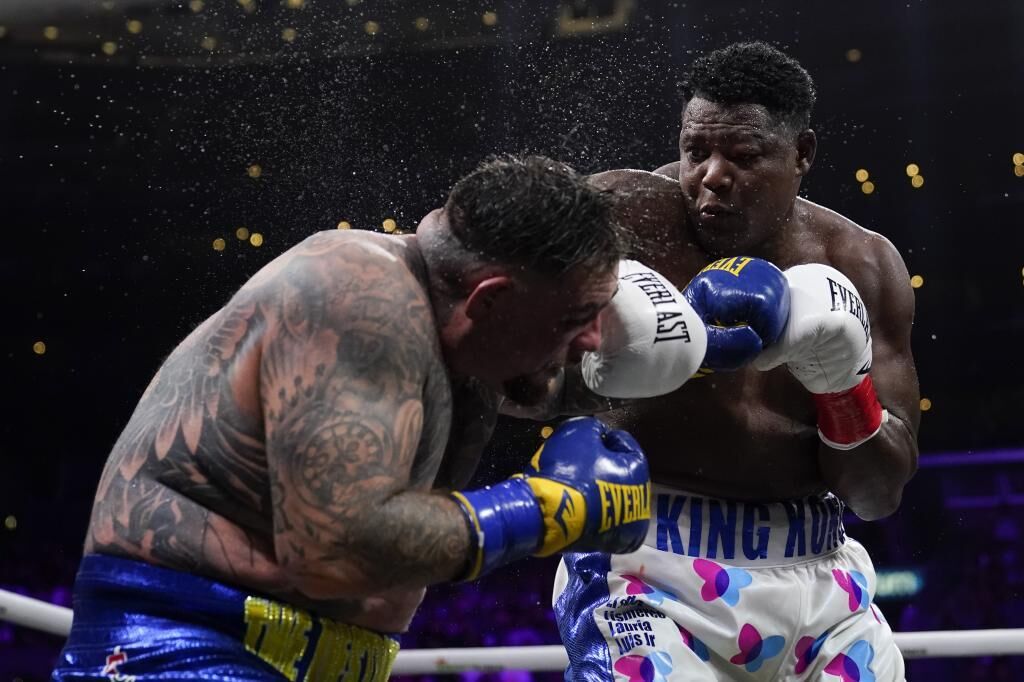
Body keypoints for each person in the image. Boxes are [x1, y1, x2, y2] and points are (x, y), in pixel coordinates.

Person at [52, 154, 789, 681]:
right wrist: (545, 510)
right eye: (576, 318)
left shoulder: (471, 332)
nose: (592, 339)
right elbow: (335, 550)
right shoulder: (353, 302)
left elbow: (557, 380)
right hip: (179, 647)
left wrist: (695, 348)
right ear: (491, 300)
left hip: (314, 656)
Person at [520, 43, 920, 681]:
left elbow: (879, 495)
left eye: (743, 156)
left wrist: (843, 384)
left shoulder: (863, 266)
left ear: (803, 154)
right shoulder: (620, 220)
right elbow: (511, 378)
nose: (710, 175)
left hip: (821, 577)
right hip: (649, 570)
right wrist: (596, 373)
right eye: (695, 150)